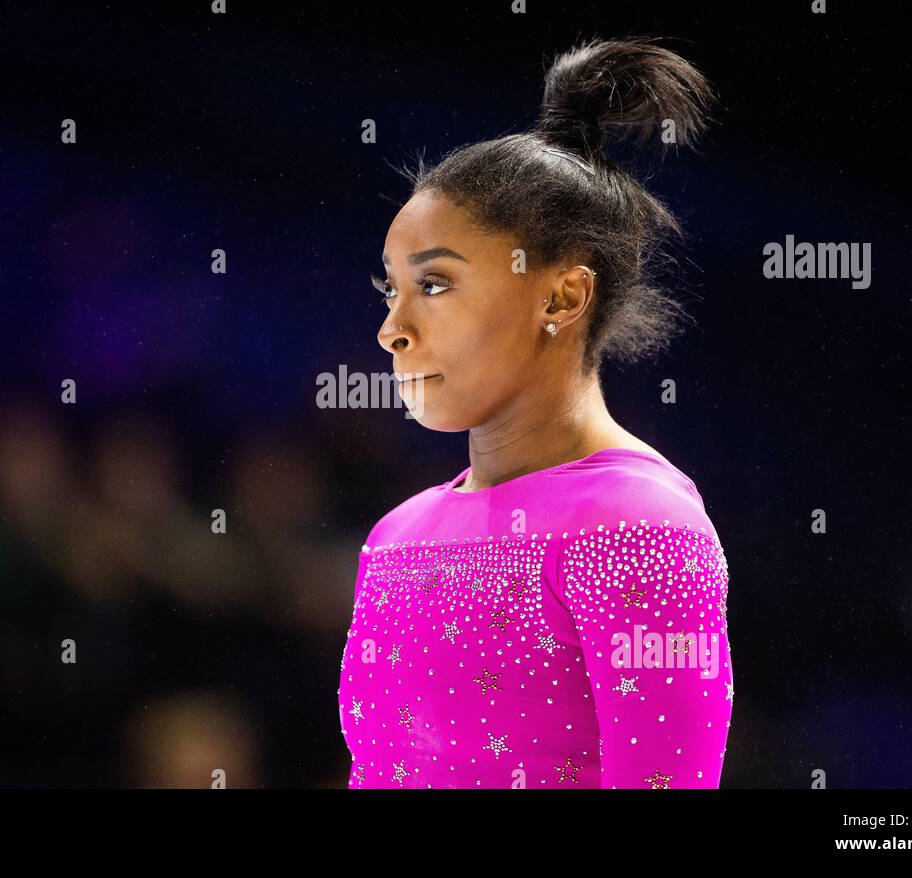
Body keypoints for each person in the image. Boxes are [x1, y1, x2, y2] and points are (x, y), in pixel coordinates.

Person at [338, 37, 733, 788]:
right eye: (391, 289)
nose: (392, 328)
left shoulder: (638, 529)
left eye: (436, 285)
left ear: (561, 296)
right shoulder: (396, 533)